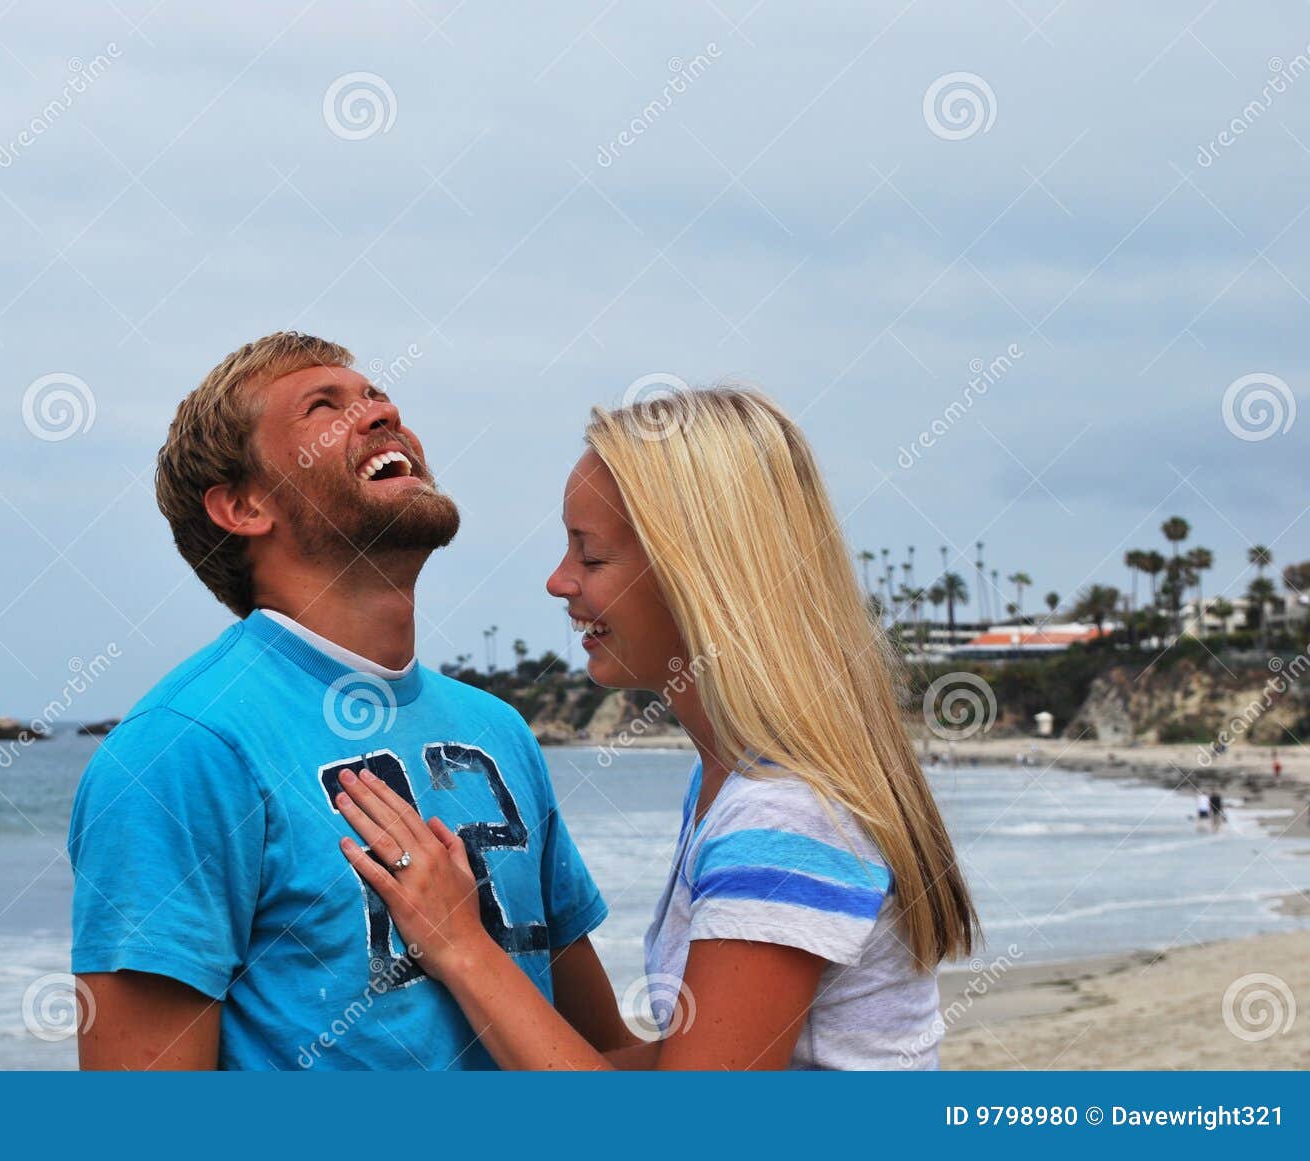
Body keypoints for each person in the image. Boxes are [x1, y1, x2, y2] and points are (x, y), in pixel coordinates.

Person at [332, 386, 979, 1069]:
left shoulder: (783, 816)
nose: (558, 581)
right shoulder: (733, 779)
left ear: (695, 577)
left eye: (591, 556)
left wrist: (459, 942)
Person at [68, 332, 628, 1069]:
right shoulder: (182, 749)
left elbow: (606, 1051)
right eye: (324, 408)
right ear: (242, 505)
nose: (381, 410)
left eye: (373, 396)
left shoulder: (498, 728)